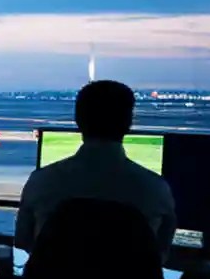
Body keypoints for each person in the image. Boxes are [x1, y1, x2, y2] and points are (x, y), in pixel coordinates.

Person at [15, 80, 176, 261]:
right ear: (129, 122)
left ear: (78, 120)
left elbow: (23, 243)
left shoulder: (41, 182)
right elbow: (161, 255)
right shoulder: (156, 189)